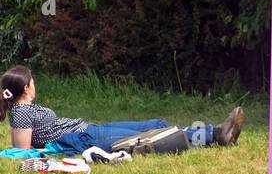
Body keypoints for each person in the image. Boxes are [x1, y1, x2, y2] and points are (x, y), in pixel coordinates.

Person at [1, 65, 243, 152]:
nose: (35, 83)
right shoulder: (21, 112)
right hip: (83, 139)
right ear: (25, 87)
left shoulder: (25, 108)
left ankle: (211, 133)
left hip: (89, 130)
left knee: (156, 124)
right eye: (32, 80)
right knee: (151, 136)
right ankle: (215, 135)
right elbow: (23, 150)